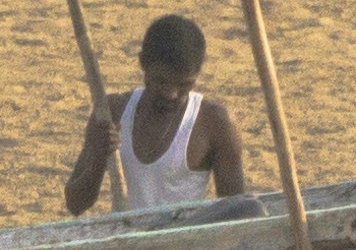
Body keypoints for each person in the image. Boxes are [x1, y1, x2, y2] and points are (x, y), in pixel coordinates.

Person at [65, 12, 247, 213]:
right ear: (142, 63)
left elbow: (236, 211)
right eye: (161, 81)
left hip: (185, 242)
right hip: (127, 241)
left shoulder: (215, 123)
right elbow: (75, 204)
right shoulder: (113, 112)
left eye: (184, 84)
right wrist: (98, 157)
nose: (171, 94)